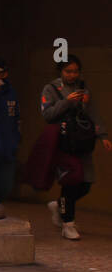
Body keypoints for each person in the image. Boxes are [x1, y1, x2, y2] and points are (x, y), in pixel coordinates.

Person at [35, 56, 111, 239]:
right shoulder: (51, 88)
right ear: (61, 72)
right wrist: (67, 101)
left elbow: (92, 114)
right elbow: (48, 114)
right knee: (71, 181)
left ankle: (60, 205)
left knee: (86, 183)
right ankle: (68, 223)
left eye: (75, 71)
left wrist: (103, 136)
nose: (72, 75)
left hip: (83, 141)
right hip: (64, 142)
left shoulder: (83, 88)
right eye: (68, 71)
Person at [0, 59, 22, 203]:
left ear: (5, 74)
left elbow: (16, 118)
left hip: (8, 148)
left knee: (5, 187)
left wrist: (16, 140)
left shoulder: (11, 93)